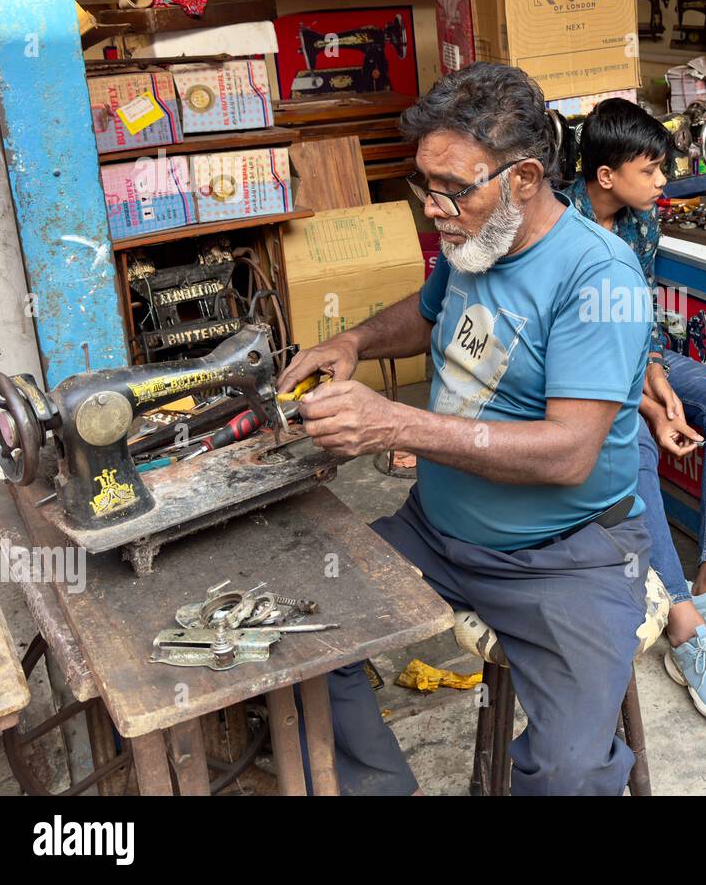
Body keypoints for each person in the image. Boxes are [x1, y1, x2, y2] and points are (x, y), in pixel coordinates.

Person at [278, 63, 653, 795]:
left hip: (566, 556)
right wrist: (351, 342)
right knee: (301, 640)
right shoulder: (472, 243)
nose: (434, 209)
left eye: (454, 189)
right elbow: (423, 315)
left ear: (523, 178)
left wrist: (395, 425)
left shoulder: (598, 277)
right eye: (426, 186)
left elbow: (569, 454)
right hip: (439, 531)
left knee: (572, 771)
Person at [565, 98, 706, 725]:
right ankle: (682, 628)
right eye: (651, 171)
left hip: (634, 359)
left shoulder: (641, 221)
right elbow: (575, 350)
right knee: (641, 441)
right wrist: (650, 407)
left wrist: (658, 373)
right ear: (606, 176)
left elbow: (643, 315)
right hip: (581, 379)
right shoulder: (557, 229)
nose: (662, 183)